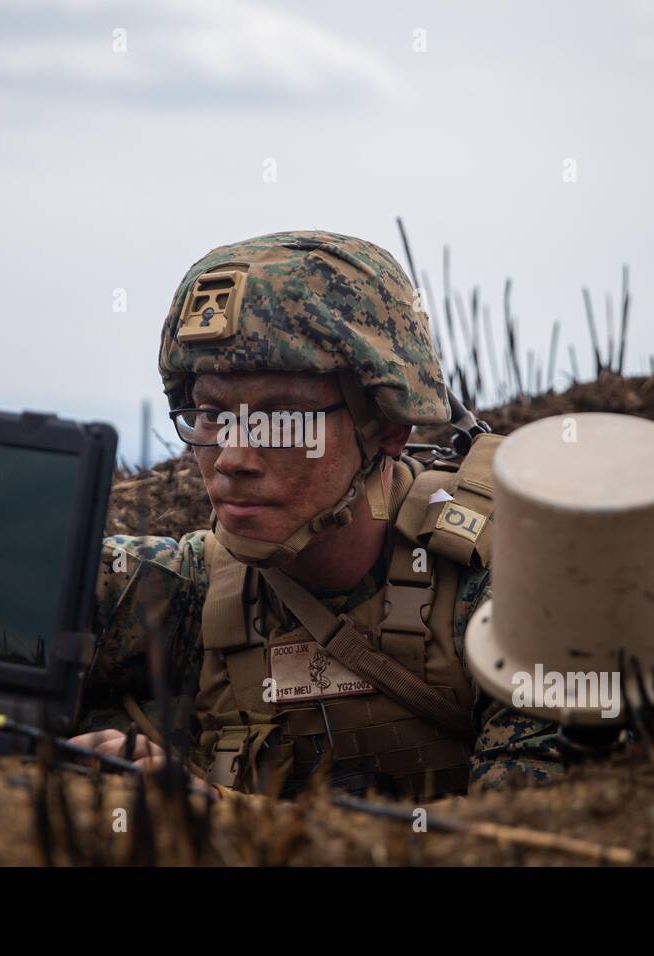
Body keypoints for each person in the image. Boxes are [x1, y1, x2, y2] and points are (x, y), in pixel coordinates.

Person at [71, 230, 567, 800]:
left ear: (384, 427)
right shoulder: (195, 588)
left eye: (284, 419)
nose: (233, 456)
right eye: (210, 414)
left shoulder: (510, 585)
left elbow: (517, 838)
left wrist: (208, 814)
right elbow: (1, 591)